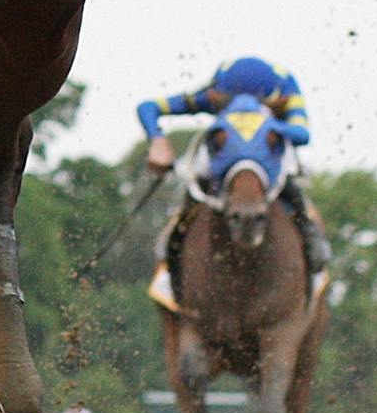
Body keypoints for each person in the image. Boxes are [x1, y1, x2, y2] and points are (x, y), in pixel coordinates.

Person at [137, 55, 327, 281]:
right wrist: (158, 141)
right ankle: (173, 254)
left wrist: (268, 126)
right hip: (222, 165)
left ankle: (309, 237)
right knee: (191, 200)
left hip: (271, 165)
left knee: (293, 193)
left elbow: (302, 134)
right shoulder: (213, 94)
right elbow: (148, 108)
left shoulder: (286, 89)